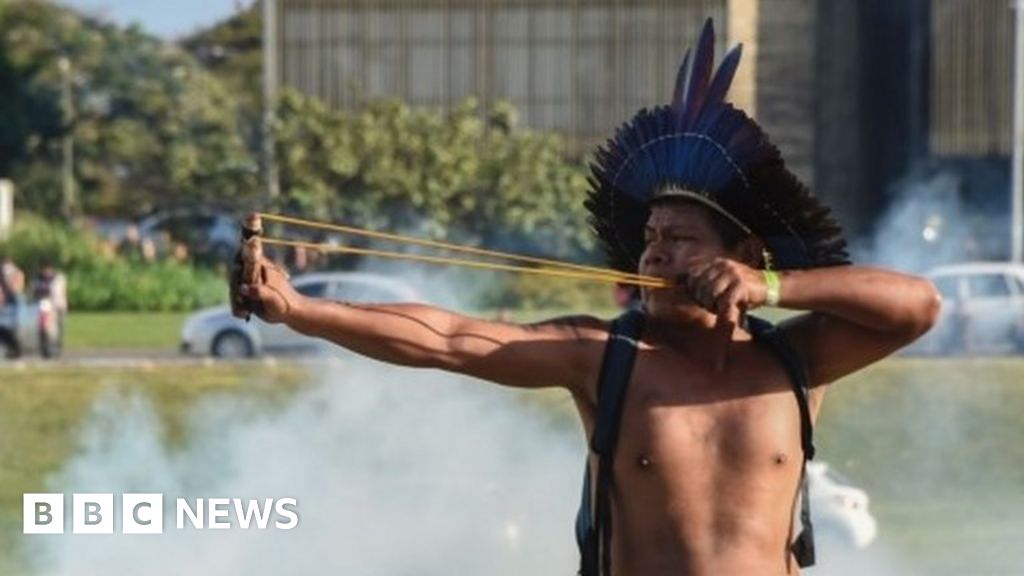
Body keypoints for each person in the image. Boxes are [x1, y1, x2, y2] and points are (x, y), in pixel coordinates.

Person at [231, 20, 939, 576]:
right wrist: (302, 310)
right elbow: (450, 339)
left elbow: (917, 306)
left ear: (744, 256)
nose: (656, 252)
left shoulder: (797, 360)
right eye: (650, 238)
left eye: (681, 237)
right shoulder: (605, 356)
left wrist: (775, 287)